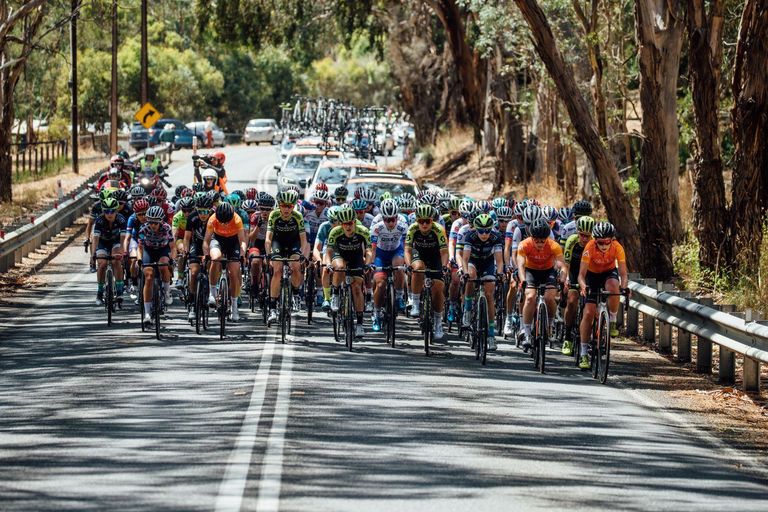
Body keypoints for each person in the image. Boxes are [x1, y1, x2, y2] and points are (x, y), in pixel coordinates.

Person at [577, 222, 629, 369]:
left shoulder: (618, 247)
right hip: (591, 276)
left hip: (608, 273)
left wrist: (623, 288)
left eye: (607, 242)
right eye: (601, 243)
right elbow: (581, 275)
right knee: (588, 313)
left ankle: (612, 319)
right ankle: (583, 353)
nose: (604, 246)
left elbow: (624, 274)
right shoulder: (589, 247)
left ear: (612, 240)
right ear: (595, 240)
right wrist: (583, 287)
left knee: (614, 286)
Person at [515, 219, 566, 350]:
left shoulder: (554, 245)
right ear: (531, 237)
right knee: (530, 296)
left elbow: (562, 265)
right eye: (536, 240)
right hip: (530, 271)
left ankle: (550, 324)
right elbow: (520, 265)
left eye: (542, 240)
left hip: (548, 271)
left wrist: (562, 277)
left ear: (547, 238)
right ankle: (526, 332)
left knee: (550, 297)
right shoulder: (524, 245)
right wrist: (522, 280)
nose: (539, 243)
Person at [460, 213, 505, 350]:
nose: (484, 234)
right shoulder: (470, 236)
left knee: (489, 295)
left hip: (487, 263)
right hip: (473, 261)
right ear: (476, 229)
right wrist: (465, 272)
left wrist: (499, 274)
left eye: (487, 231)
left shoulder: (496, 237)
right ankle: (467, 309)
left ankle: (491, 335)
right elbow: (465, 259)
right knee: (471, 276)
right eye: (481, 231)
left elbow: (499, 260)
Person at [404, 204, 449, 340]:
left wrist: (444, 266)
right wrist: (408, 265)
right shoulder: (412, 229)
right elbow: (407, 250)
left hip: (435, 256)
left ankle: (437, 322)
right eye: (421, 221)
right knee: (417, 268)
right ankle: (416, 303)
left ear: (432, 220)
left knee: (438, 288)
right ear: (416, 221)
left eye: (427, 221)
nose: (424, 224)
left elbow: (444, 252)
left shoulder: (438, 229)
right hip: (419, 255)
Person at [327, 205, 373, 338]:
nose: (348, 227)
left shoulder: (363, 231)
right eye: (345, 224)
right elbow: (329, 251)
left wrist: (367, 264)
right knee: (340, 267)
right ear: (341, 223)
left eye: (351, 223)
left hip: (356, 257)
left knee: (357, 288)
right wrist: (329, 264)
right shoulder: (335, 232)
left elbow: (369, 251)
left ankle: (359, 324)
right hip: (339, 255)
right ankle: (335, 294)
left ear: (354, 221)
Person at [265, 189, 309, 324]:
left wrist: (302, 255)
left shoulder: (297, 216)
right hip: (277, 242)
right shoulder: (274, 215)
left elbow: (303, 240)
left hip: (293, 243)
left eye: (290, 206)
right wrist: (269, 255)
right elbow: (268, 239)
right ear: (279, 204)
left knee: (295, 266)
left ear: (294, 206)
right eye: (283, 205)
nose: (286, 209)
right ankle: (272, 308)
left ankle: (296, 293)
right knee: (277, 271)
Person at [203, 202, 247, 322]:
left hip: (233, 243)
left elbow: (242, 241)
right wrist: (206, 254)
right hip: (218, 240)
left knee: (234, 272)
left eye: (226, 221)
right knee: (215, 258)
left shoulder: (237, 219)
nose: (224, 224)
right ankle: (212, 293)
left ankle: (234, 307)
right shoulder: (212, 218)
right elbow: (206, 240)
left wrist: (242, 254)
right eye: (221, 221)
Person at [370, 199, 408, 332]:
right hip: (380, 254)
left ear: (397, 217)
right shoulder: (376, 227)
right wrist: (370, 264)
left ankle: (398, 296)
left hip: (396, 252)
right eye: (387, 220)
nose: (390, 223)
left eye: (393, 219)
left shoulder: (403, 226)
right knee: (380, 284)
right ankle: (376, 313)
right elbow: (373, 250)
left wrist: (407, 265)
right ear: (383, 218)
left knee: (399, 265)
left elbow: (406, 248)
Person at [560, 216, 595, 356]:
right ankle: (567, 336)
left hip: (588, 273)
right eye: (582, 235)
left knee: (592, 306)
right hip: (573, 271)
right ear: (577, 232)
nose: (585, 239)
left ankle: (591, 337)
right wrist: (567, 279)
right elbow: (566, 264)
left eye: (588, 236)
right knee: (572, 300)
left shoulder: (593, 243)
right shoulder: (571, 241)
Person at [138, 205, 176, 326]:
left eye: (155, 223)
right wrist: (139, 259)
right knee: (148, 276)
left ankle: (166, 291)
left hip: (162, 249)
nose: (153, 225)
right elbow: (140, 247)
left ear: (160, 221)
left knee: (163, 266)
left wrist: (173, 259)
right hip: (149, 250)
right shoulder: (143, 229)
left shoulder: (166, 228)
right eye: (150, 222)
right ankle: (147, 313)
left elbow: (173, 247)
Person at [92, 197, 128, 305]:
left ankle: (120, 289)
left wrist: (122, 251)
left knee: (116, 261)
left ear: (116, 210)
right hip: (102, 242)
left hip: (116, 242)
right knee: (102, 264)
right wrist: (93, 254)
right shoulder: (99, 220)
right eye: (106, 211)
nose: (109, 213)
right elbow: (95, 239)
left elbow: (123, 239)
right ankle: (99, 292)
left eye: (112, 210)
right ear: (103, 211)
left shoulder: (121, 219)